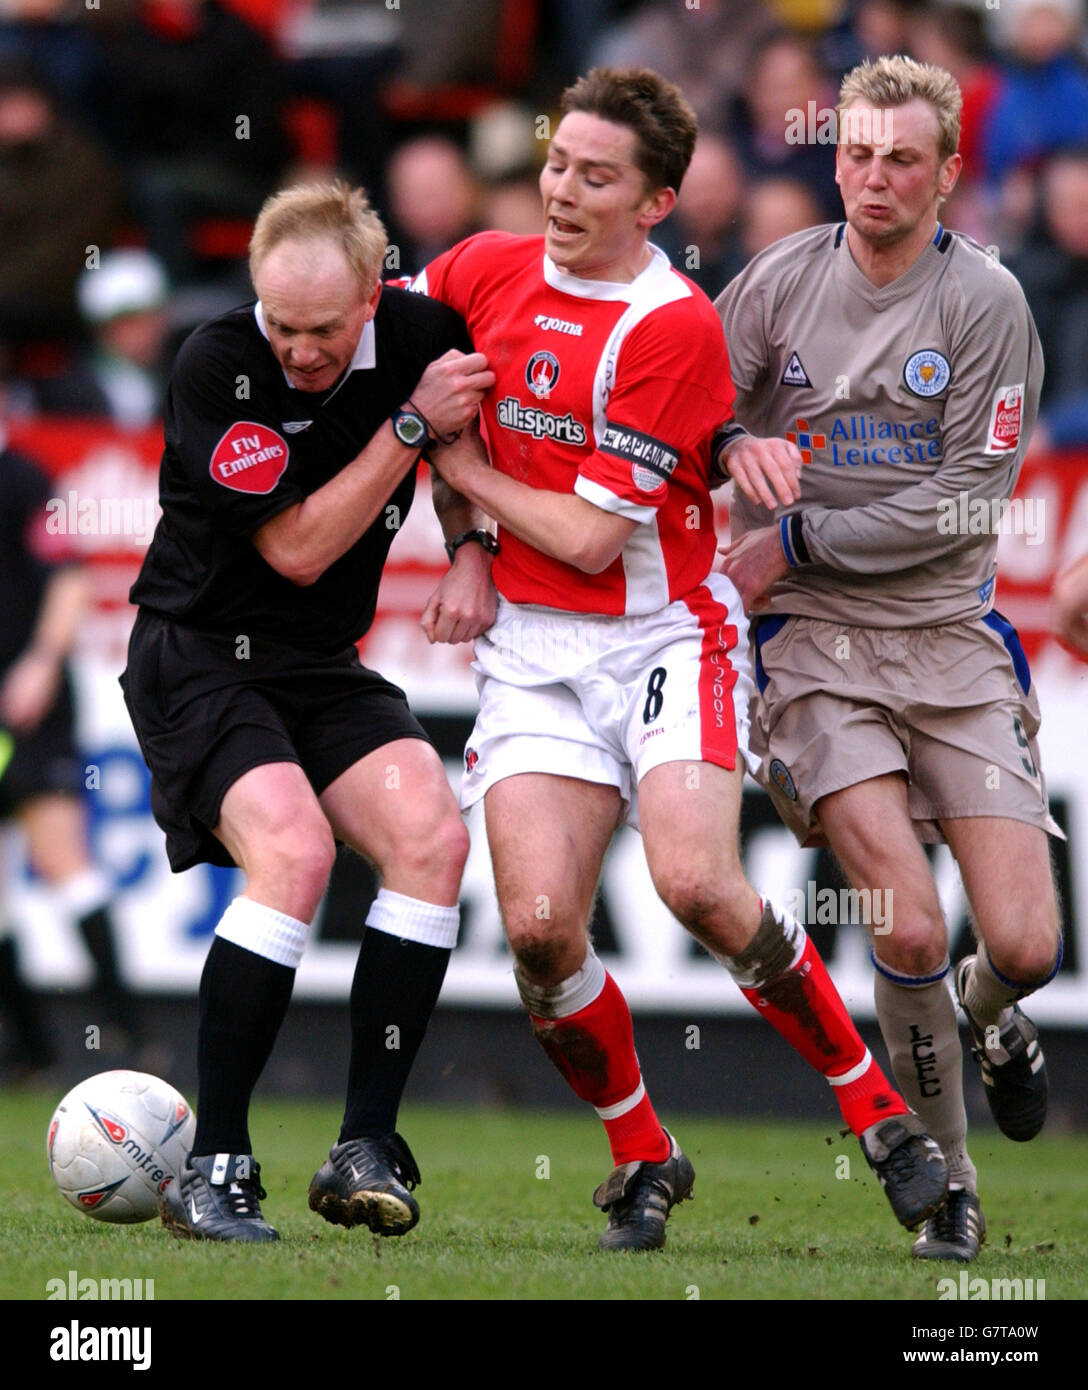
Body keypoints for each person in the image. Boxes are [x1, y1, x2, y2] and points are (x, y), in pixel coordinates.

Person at [414, 65, 949, 1253]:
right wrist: (461, 547)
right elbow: (395, 373)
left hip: (661, 631)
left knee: (697, 885)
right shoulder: (472, 270)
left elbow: (590, 536)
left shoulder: (668, 323)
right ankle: (640, 1154)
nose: (561, 191)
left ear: (654, 203)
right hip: (532, 651)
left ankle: (878, 1117)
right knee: (543, 931)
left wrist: (459, 473)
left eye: (595, 177)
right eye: (556, 163)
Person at [716, 54, 1063, 1263]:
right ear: (834, 155)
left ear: (947, 173)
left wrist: (796, 529)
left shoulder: (985, 303)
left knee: (1023, 946)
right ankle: (948, 1185)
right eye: (854, 153)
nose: (872, 176)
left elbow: (970, 502)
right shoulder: (772, 284)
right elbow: (695, 415)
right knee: (904, 927)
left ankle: (987, 1016)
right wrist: (730, 466)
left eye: (899, 157)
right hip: (812, 646)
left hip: (949, 639)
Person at [120, 180, 496, 1242]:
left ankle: (363, 1144)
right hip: (197, 653)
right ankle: (216, 1165)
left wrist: (466, 543)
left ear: (375, 293)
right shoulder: (214, 363)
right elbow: (295, 547)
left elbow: (460, 454)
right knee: (292, 851)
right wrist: (410, 420)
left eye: (323, 329)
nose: (297, 349)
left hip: (318, 661)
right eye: (279, 323)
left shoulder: (426, 331)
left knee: (430, 835)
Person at [0, 381, 138, 1077]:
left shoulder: (24, 478)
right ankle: (27, 1049)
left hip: (29, 711)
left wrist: (40, 664)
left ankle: (130, 1032)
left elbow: (69, 578)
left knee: (63, 861)